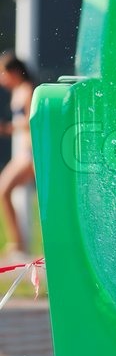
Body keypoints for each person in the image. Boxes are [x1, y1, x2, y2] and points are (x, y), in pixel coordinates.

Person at [0, 52, 35, 260]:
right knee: (4, 191)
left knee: (4, 190)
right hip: (24, 153)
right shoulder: (17, 91)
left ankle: (18, 244)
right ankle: (18, 244)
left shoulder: (28, 89)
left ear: (14, 71)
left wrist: (7, 127)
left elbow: (32, 121)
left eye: (4, 73)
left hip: (30, 155)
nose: (2, 79)